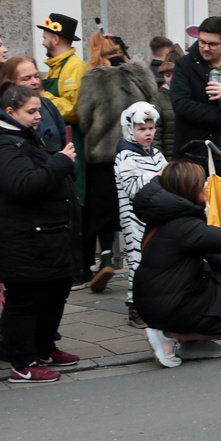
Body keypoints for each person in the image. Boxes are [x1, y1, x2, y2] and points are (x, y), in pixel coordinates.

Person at [0, 85, 83, 383]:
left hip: (43, 236)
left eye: (39, 111)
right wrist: (60, 161)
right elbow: (24, 185)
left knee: (54, 292)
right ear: (10, 112)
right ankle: (22, 362)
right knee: (27, 300)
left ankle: (44, 347)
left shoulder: (23, 137)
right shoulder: (0, 145)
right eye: (31, 111)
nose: (37, 117)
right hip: (20, 240)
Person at [131, 161, 221, 367]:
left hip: (151, 301)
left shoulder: (166, 215)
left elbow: (197, 247)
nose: (205, 186)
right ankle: (170, 335)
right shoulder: (185, 224)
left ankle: (193, 344)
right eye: (200, 183)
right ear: (187, 189)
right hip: (166, 307)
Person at [74, 33, 159, 290]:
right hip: (136, 152)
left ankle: (106, 257)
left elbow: (83, 117)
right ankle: (145, 258)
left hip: (103, 154)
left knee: (101, 210)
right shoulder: (139, 74)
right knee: (135, 206)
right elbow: (153, 105)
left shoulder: (94, 78)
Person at [113, 103, 167, 327]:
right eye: (142, 129)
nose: (148, 133)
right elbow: (134, 188)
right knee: (137, 260)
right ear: (130, 129)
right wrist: (158, 176)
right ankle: (134, 304)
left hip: (155, 215)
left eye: (151, 128)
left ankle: (152, 302)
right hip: (134, 218)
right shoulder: (125, 156)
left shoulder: (157, 154)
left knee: (155, 259)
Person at [171, 17, 221, 168]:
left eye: (212, 44)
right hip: (196, 156)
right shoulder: (184, 65)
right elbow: (181, 105)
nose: (205, 48)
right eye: (202, 42)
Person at [0, 56, 67, 153]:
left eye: (36, 76)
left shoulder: (48, 105)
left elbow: (66, 144)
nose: (35, 82)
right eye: (26, 79)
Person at [39, 13, 86, 124]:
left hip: (71, 133)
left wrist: (42, 96)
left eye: (45, 38)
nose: (43, 43)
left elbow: (74, 110)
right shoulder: (56, 66)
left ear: (56, 39)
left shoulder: (75, 67)